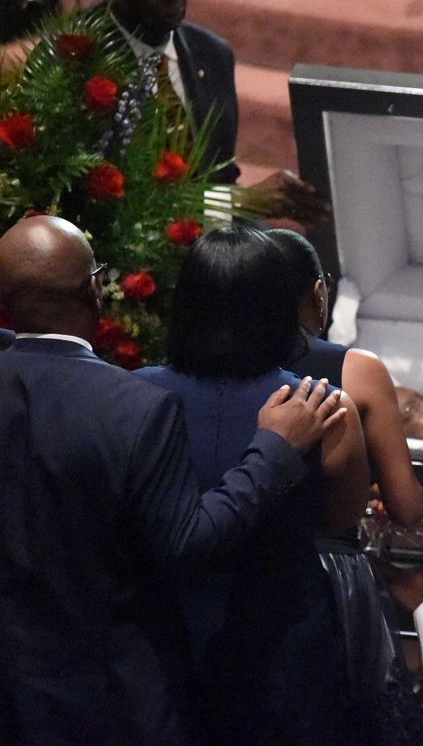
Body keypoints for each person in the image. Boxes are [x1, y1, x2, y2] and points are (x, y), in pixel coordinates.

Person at [0, 215, 342, 744]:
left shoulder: (135, 392)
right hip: (108, 694)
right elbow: (187, 542)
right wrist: (272, 450)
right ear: (94, 290)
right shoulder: (132, 406)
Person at [136, 226, 371, 743]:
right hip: (281, 635)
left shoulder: (132, 395)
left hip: (162, 630)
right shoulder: (327, 407)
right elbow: (341, 518)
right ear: (280, 307)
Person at [269, 228, 423, 740]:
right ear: (318, 293)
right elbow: (407, 506)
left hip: (239, 566)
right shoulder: (356, 370)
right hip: (328, 579)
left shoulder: (222, 367)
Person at [92, 0, 328, 222]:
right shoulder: (78, 65)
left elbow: (221, 175)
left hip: (207, 234)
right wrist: (237, 203)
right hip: (113, 240)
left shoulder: (211, 53)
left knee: (287, 247)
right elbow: (101, 201)